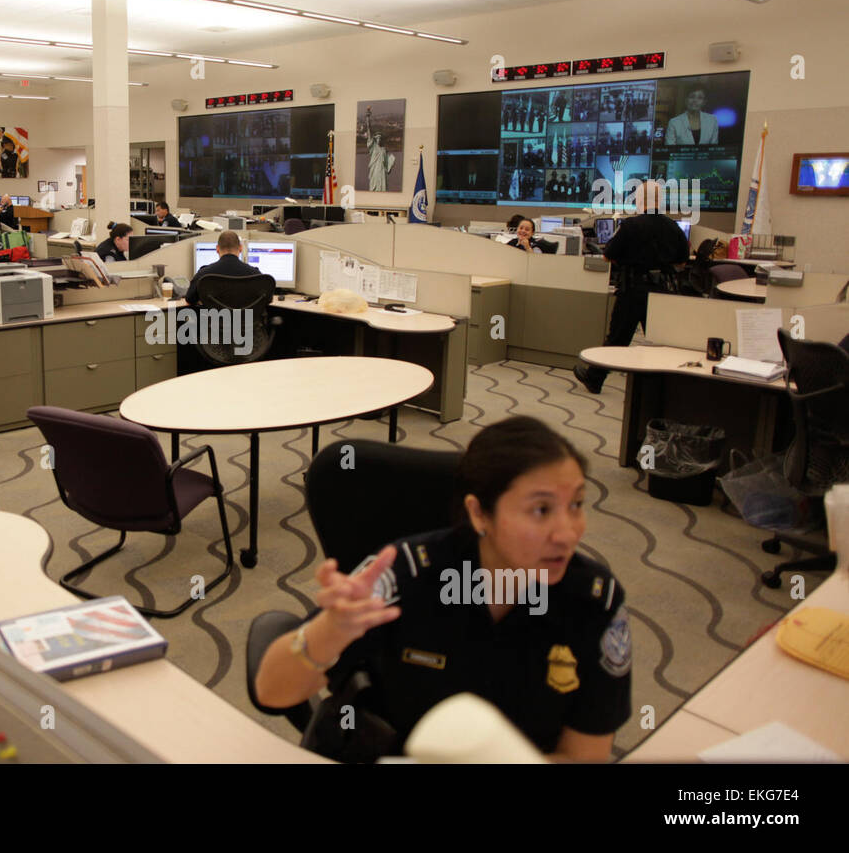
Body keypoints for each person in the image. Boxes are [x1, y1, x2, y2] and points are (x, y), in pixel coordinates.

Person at [254, 415, 630, 763]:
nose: (568, 533)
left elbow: (585, 755)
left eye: (577, 504)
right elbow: (273, 691)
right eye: (541, 510)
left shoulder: (595, 601)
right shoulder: (408, 573)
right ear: (479, 513)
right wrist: (331, 631)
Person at [574, 182, 690, 393]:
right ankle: (664, 389)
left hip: (633, 290)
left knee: (618, 337)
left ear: (639, 199)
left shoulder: (631, 226)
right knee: (661, 342)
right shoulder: (673, 227)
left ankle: (594, 378)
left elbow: (608, 255)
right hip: (663, 292)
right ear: (661, 200)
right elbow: (682, 262)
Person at [185, 230, 263, 305]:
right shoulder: (254, 274)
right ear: (241, 248)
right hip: (246, 317)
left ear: (217, 249)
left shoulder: (204, 274)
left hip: (214, 317)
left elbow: (189, 298)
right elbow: (267, 298)